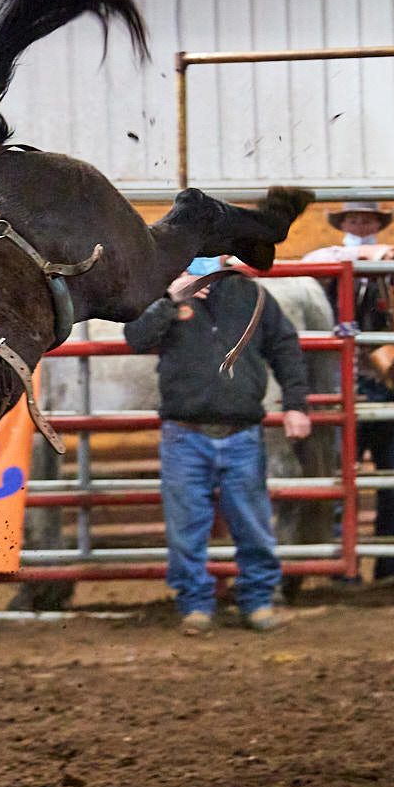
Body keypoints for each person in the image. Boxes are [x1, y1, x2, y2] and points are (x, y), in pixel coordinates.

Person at [124, 256, 312, 635]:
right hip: (187, 431)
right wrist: (170, 301)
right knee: (189, 528)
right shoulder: (166, 295)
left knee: (250, 525)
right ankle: (201, 603)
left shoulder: (254, 297)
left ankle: (255, 599)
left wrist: (295, 405)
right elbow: (137, 338)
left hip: (233, 431)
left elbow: (285, 347)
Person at [302, 201, 394, 581]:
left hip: (384, 382)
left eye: (368, 220)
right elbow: (313, 260)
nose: (361, 224)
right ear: (344, 224)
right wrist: (366, 252)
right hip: (343, 381)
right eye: (354, 220)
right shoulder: (335, 260)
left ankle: (389, 565)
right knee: (342, 475)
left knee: (392, 480)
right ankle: (341, 566)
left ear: (377, 223)